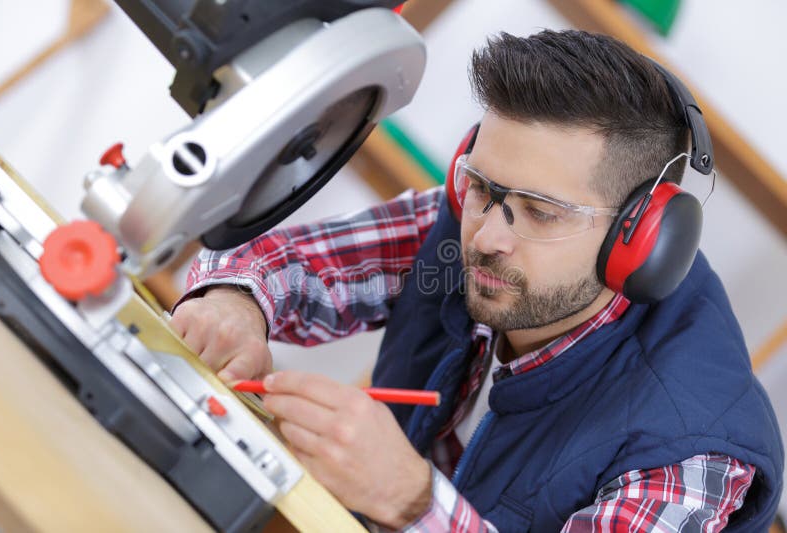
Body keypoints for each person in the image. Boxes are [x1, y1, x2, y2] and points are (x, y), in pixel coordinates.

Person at [171, 29, 783, 531]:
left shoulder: (693, 450)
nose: (487, 235)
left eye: (541, 212)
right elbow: (288, 265)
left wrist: (413, 504)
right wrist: (235, 302)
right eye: (484, 186)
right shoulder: (472, 227)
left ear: (641, 240)